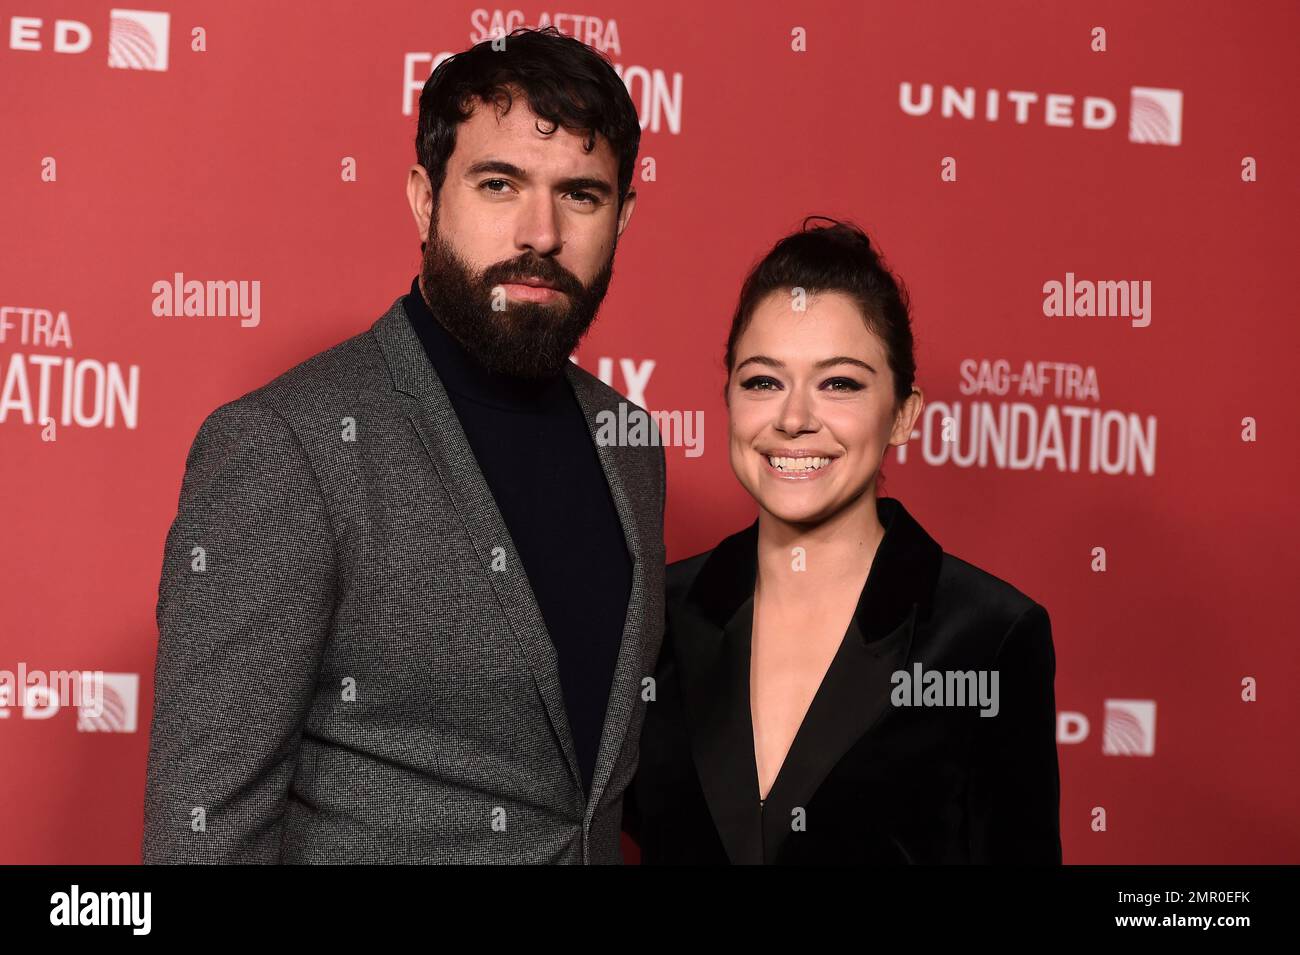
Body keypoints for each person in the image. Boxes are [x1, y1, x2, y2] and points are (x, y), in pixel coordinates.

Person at [144, 27, 665, 864]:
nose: (541, 231)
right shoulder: (286, 446)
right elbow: (202, 835)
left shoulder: (629, 441)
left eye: (581, 194)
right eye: (499, 184)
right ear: (425, 198)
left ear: (623, 215)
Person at [625, 219, 1061, 864]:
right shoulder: (651, 615)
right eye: (763, 381)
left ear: (905, 415)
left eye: (840, 383)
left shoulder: (988, 634)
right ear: (728, 400)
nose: (795, 418)